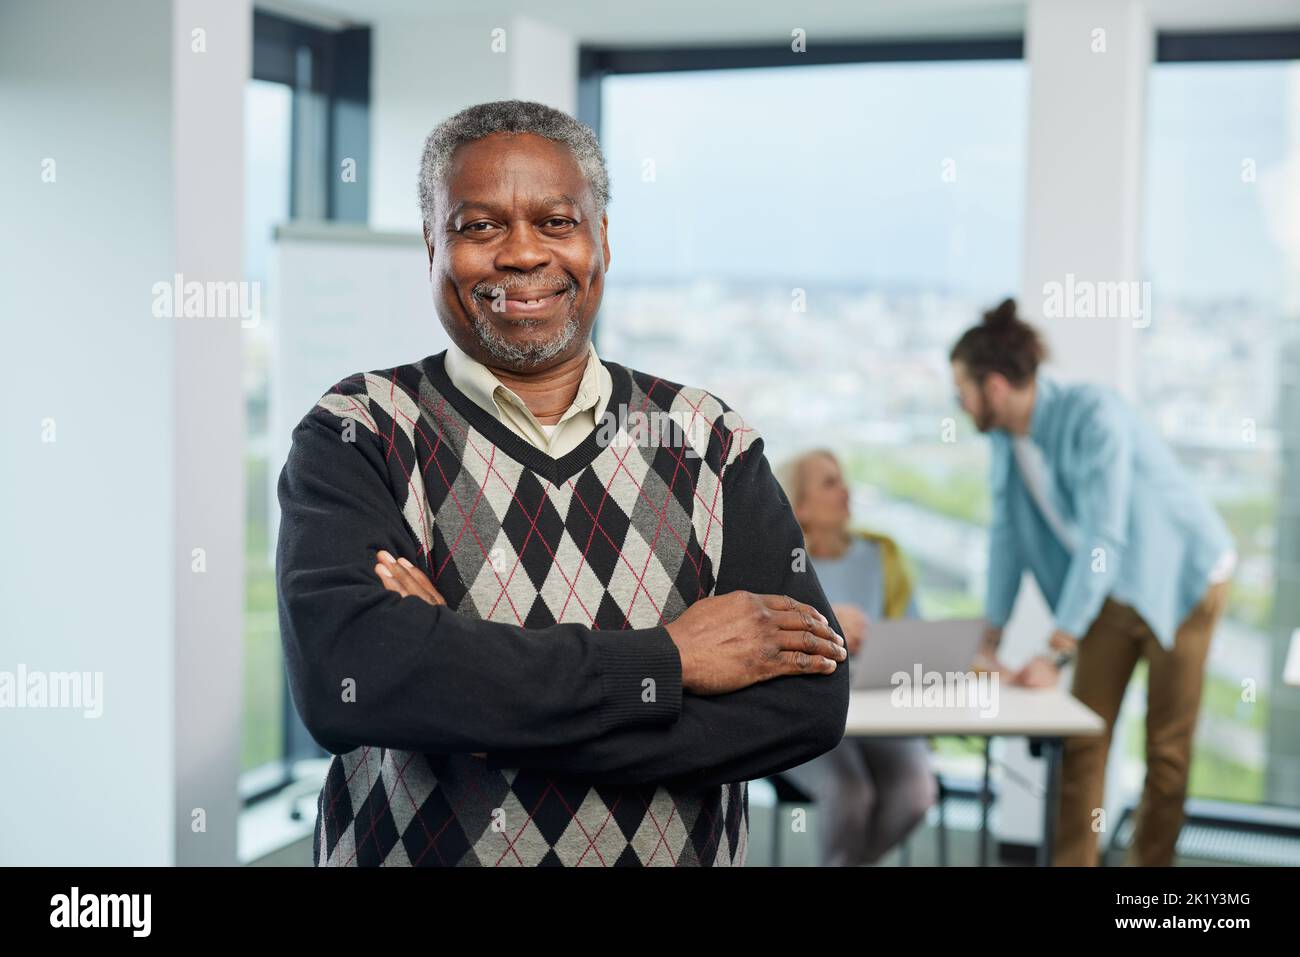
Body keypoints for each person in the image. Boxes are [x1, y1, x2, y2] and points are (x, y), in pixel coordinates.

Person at [274, 99, 851, 867]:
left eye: (555, 221)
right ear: (431, 245)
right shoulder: (359, 430)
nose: (520, 254)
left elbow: (804, 706)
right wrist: (666, 662)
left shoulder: (710, 440)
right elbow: (346, 678)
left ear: (601, 239)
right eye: (478, 226)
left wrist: (469, 715)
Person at [950, 298, 1235, 866]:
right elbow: (1008, 538)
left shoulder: (1094, 414)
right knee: (1082, 739)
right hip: (1111, 591)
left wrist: (1057, 649)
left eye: (962, 389)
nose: (957, 402)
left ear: (997, 387)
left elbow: (1104, 538)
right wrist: (990, 639)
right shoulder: (1008, 442)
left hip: (1182, 581)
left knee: (1167, 753)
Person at [775, 449, 938, 865]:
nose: (845, 490)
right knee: (852, 793)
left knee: (916, 792)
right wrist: (828, 629)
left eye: (843, 479)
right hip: (808, 716)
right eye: (829, 482)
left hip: (881, 711)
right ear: (801, 506)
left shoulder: (882, 556)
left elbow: (914, 637)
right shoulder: (778, 566)